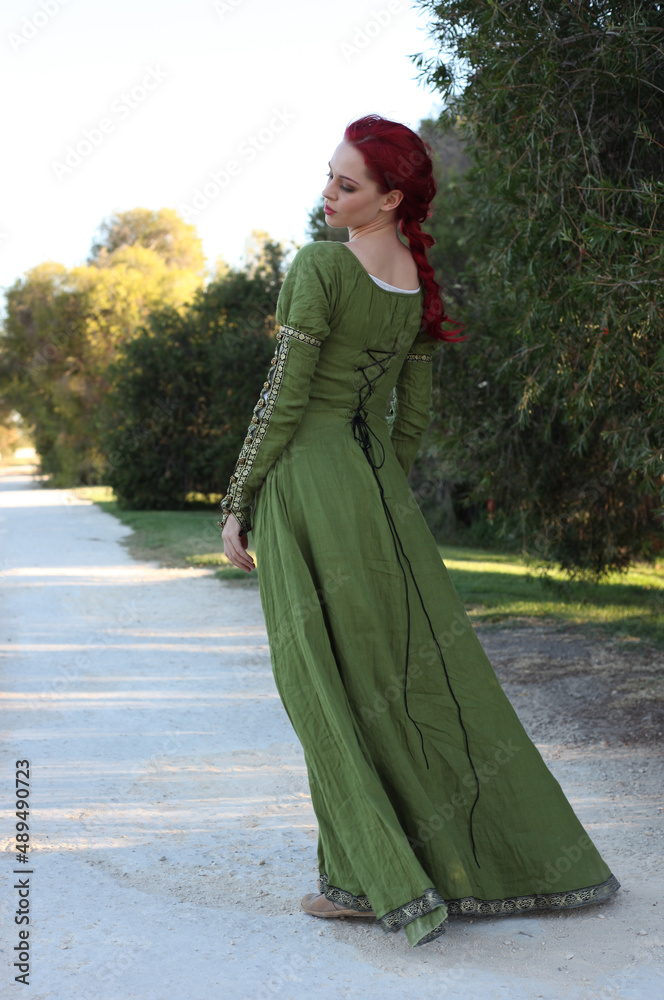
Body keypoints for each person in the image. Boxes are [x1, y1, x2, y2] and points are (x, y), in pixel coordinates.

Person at [218, 114, 620, 947]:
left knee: (319, 684)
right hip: (371, 492)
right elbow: (412, 418)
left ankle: (369, 882)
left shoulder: (323, 266)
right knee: (392, 680)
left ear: (390, 197)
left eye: (347, 185)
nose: (327, 194)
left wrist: (238, 497)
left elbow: (284, 399)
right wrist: (381, 499)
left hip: (305, 482)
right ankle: (424, 864)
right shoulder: (415, 282)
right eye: (329, 176)